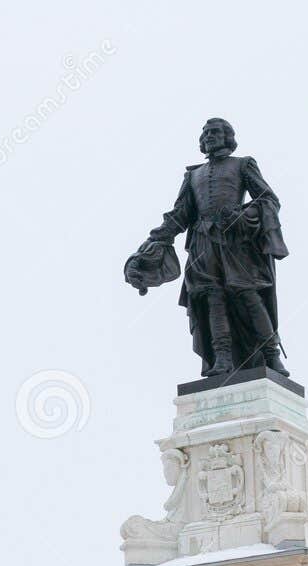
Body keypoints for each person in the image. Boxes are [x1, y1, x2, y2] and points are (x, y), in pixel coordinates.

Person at [125, 117, 289, 378]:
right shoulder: (193, 175)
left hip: (235, 242)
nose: (208, 137)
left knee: (248, 295)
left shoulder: (243, 164)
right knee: (213, 299)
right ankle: (222, 358)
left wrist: (244, 215)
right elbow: (179, 215)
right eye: (205, 133)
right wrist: (153, 242)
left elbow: (268, 199)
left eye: (214, 132)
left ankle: (272, 355)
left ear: (227, 137)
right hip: (202, 244)